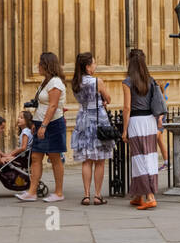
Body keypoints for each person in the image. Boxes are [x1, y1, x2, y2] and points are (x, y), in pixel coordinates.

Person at [17, 52, 66, 203]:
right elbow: (42, 105)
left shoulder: (56, 83)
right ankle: (32, 192)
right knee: (36, 157)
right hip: (41, 123)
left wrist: (43, 125)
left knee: (55, 157)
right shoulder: (46, 82)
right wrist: (35, 124)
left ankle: (58, 192)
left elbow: (53, 106)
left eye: (40, 63)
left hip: (53, 124)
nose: (38, 66)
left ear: (47, 65)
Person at [71, 52, 115, 205]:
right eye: (94, 63)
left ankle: (86, 195)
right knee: (100, 160)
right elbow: (108, 98)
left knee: (87, 160)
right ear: (88, 67)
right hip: (98, 120)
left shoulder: (75, 83)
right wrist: (103, 100)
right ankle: (97, 195)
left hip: (83, 120)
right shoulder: (97, 81)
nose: (95, 66)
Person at [121, 48, 162, 210]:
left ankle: (149, 196)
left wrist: (124, 130)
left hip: (136, 122)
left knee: (139, 158)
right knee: (149, 157)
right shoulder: (151, 80)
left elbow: (126, 108)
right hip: (150, 122)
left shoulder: (128, 82)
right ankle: (138, 195)